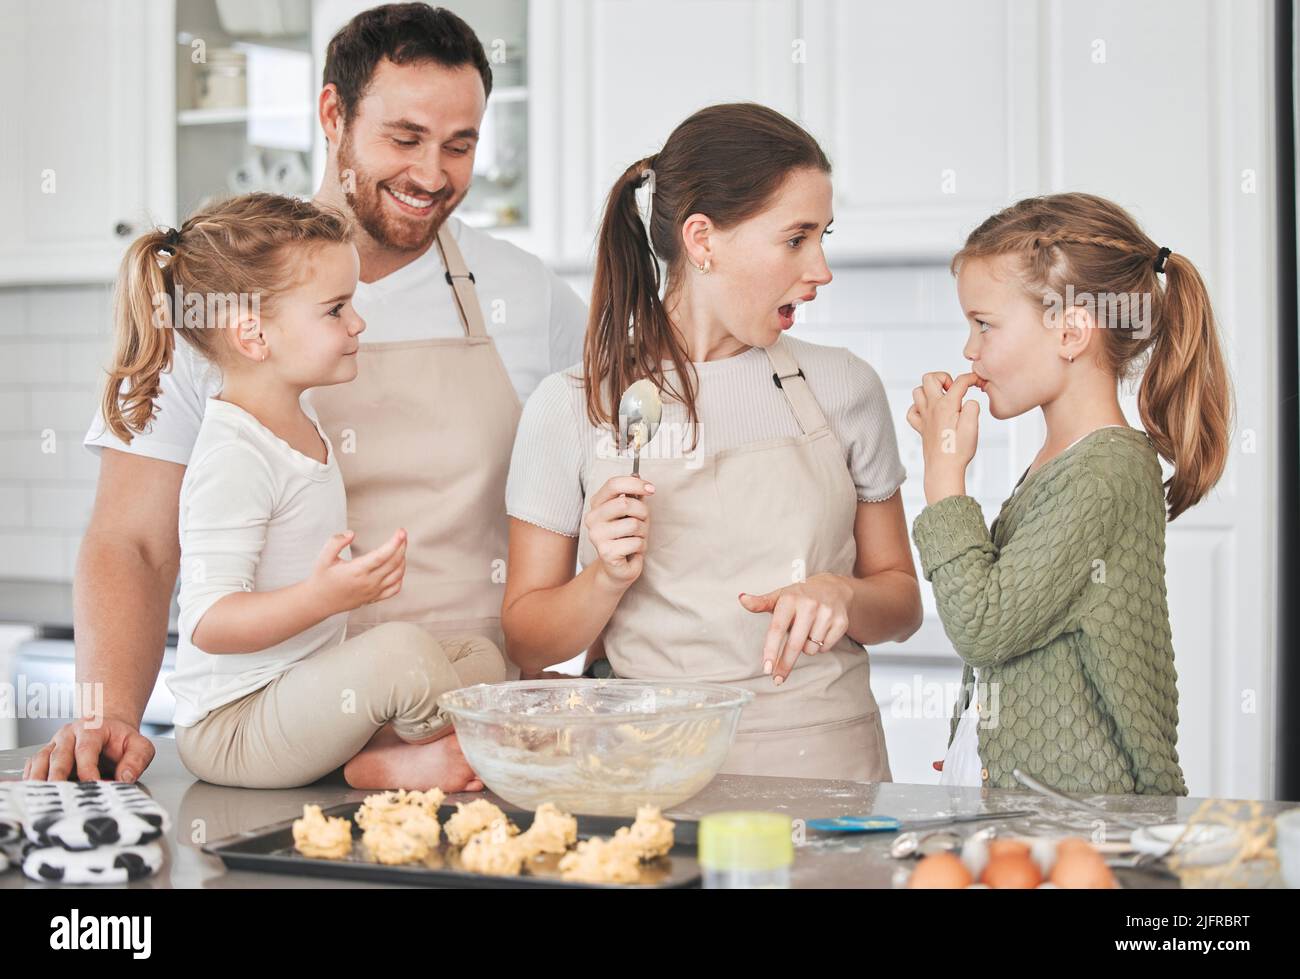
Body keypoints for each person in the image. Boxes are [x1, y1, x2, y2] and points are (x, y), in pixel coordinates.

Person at [25, 3, 585, 785]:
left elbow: (589, 506)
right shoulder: (219, 302)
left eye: (460, 146)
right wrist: (107, 714)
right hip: (277, 728)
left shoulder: (529, 296)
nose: (432, 175)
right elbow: (134, 540)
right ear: (333, 113)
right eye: (404, 138)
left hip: (464, 750)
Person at [502, 103, 923, 781]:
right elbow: (527, 632)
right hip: (647, 766)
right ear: (703, 239)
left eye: (824, 236)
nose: (821, 269)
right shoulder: (573, 406)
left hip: (823, 760)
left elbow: (900, 601)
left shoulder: (844, 386)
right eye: (796, 238)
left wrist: (843, 596)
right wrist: (604, 577)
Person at [908, 192, 1232, 794]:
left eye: (984, 324)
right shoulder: (1065, 462)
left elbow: (983, 625)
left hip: (1088, 823)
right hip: (1044, 817)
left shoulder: (1103, 473)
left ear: (1071, 332)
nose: (969, 350)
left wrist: (943, 476)